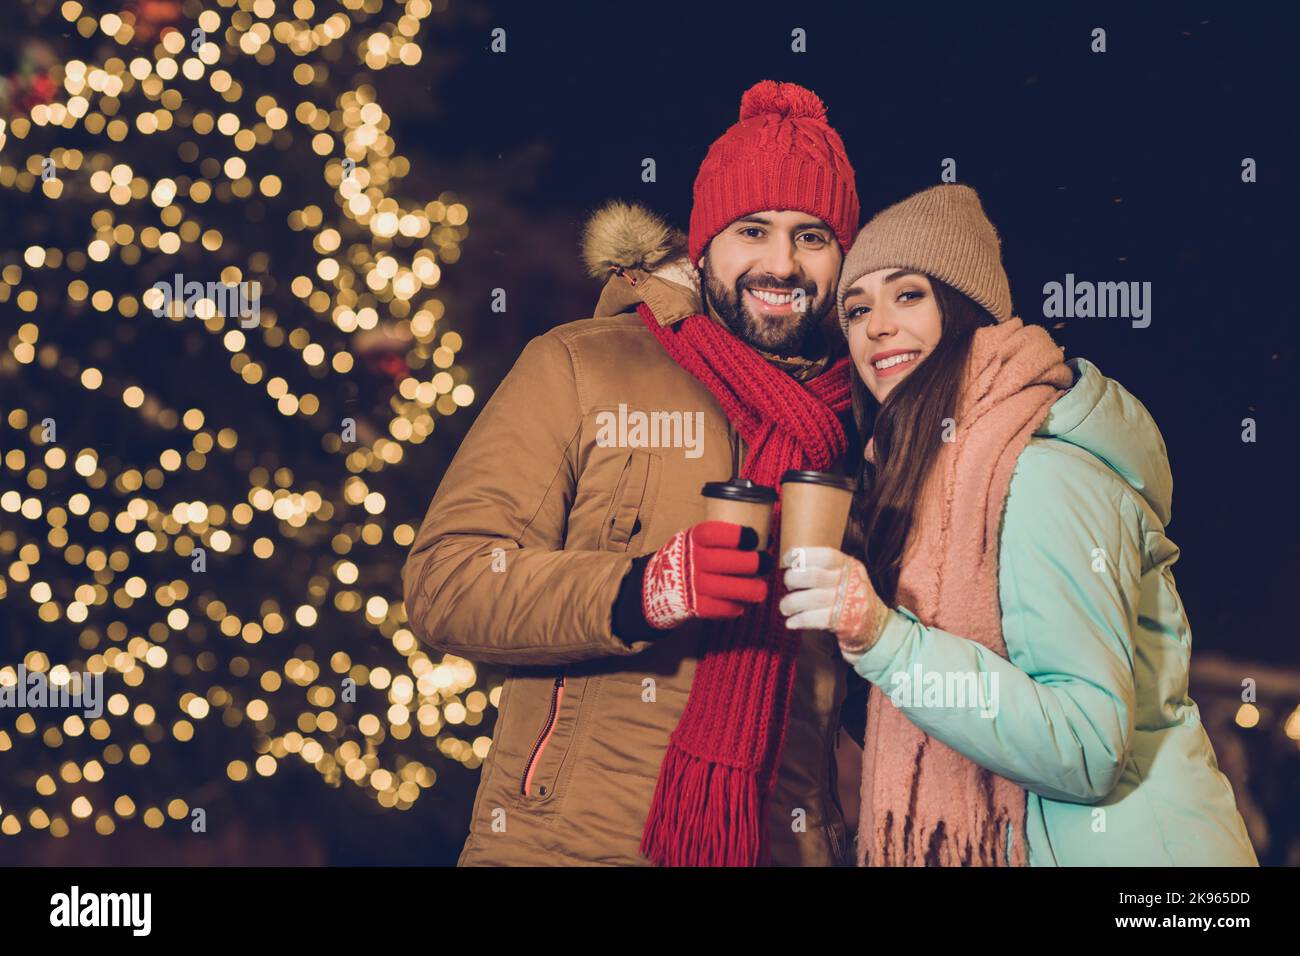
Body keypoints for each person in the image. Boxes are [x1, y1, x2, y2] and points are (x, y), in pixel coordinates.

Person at [402, 80, 862, 866]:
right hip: (566, 847)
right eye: (753, 230)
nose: (781, 263)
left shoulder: (868, 418)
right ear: (706, 243)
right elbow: (446, 584)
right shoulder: (583, 366)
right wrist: (640, 589)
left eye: (812, 236)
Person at [777, 183, 1259, 866]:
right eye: (857, 309)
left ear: (965, 311)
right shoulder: (918, 490)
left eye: (908, 294)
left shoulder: (1038, 475)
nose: (877, 325)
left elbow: (1087, 748)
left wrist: (884, 638)